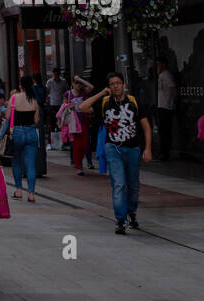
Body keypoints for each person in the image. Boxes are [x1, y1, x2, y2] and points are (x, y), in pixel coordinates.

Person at [80, 72, 152, 234]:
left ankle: (131, 211)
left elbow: (146, 126)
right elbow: (82, 107)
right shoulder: (105, 103)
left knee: (133, 184)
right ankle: (121, 219)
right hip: (113, 149)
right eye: (112, 84)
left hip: (133, 149)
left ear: (124, 85)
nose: (116, 86)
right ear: (109, 87)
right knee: (118, 184)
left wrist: (147, 148)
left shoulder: (134, 102)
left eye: (118, 83)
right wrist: (101, 93)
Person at [4, 75, 40, 202]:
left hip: (17, 132)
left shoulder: (14, 98)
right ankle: (31, 193)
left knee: (16, 161)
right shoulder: (34, 100)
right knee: (30, 164)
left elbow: (8, 117)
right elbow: (36, 120)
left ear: (21, 85)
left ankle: (18, 190)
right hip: (31, 132)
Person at [57, 77, 92, 175]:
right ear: (72, 84)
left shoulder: (83, 92)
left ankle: (80, 161)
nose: (78, 85)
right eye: (76, 83)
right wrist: (69, 106)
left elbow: (91, 87)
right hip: (73, 123)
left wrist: (80, 79)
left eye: (80, 83)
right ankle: (79, 166)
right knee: (77, 146)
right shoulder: (68, 94)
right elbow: (63, 108)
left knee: (85, 145)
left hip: (84, 121)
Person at [155, 57, 177, 162]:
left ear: (163, 65)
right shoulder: (161, 75)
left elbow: (173, 89)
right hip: (161, 106)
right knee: (162, 131)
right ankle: (163, 152)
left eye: (158, 64)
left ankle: (165, 153)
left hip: (166, 107)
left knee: (165, 131)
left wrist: (173, 103)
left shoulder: (167, 75)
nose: (157, 67)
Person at [47, 68, 68, 134]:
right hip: (52, 103)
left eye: (57, 74)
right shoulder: (49, 82)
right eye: (54, 74)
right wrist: (47, 99)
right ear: (52, 74)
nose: (55, 76)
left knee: (61, 120)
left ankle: (61, 134)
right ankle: (53, 135)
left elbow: (66, 90)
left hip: (61, 104)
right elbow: (47, 91)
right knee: (52, 121)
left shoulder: (63, 81)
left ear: (59, 74)